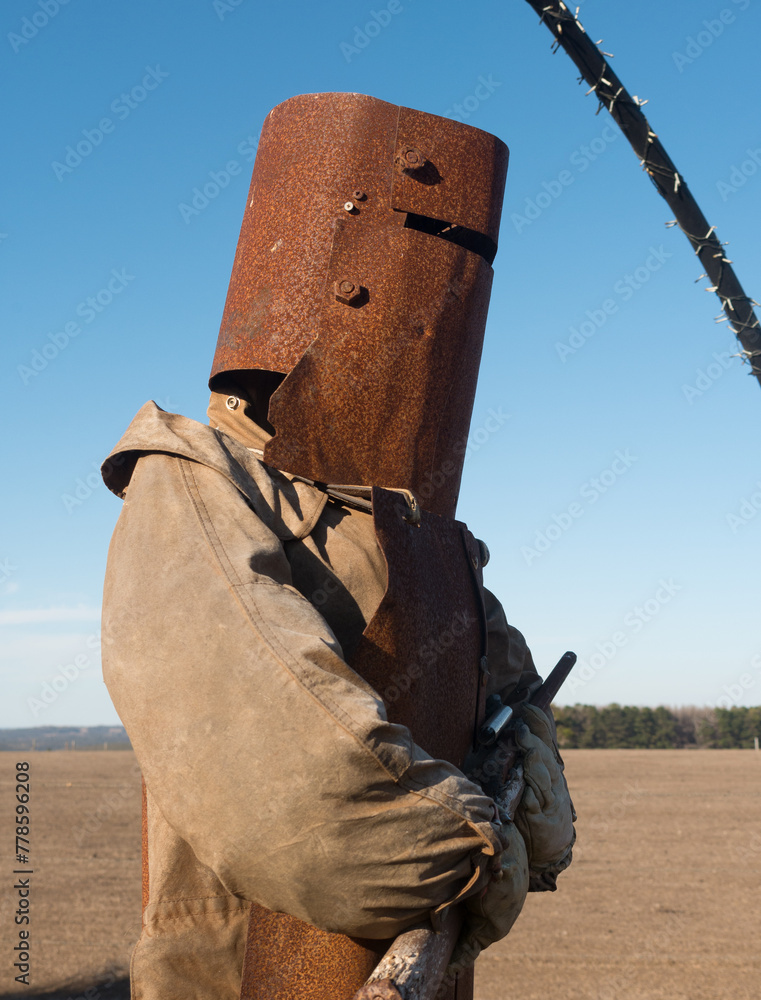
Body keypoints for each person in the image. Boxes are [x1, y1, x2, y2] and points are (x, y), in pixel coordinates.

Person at [101, 93, 575, 1000]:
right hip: (241, 976)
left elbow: (515, 717)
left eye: (463, 253)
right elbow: (304, 808)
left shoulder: (429, 531)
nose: (438, 288)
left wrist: (518, 798)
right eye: (425, 240)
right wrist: (476, 849)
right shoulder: (198, 481)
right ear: (333, 273)